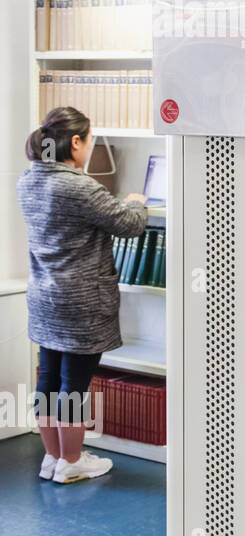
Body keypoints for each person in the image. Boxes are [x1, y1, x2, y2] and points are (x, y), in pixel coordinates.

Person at [17, 106, 148, 484]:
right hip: (80, 303)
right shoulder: (79, 186)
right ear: (75, 142)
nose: (89, 149)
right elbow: (129, 225)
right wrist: (136, 199)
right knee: (74, 384)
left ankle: (54, 458)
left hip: (44, 297)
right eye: (89, 141)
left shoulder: (27, 180)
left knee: (49, 380)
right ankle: (72, 462)